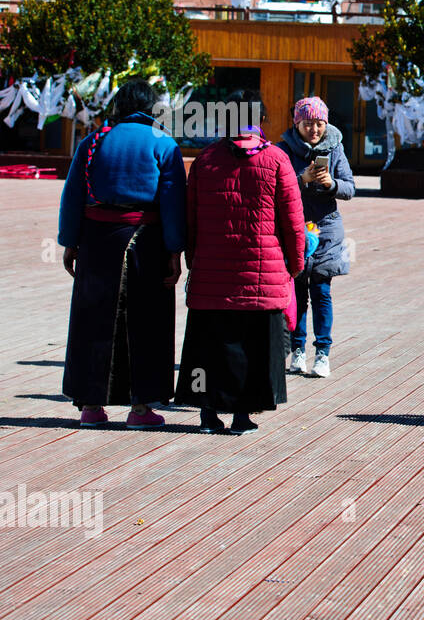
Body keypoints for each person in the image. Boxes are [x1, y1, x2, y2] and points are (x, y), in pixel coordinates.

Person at [58, 78, 185, 428]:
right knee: (146, 323)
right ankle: (140, 410)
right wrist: (175, 250)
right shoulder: (163, 143)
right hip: (146, 240)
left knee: (93, 320)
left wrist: (70, 241)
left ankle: (91, 408)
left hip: (97, 242)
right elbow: (173, 203)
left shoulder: (94, 141)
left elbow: (73, 195)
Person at [174, 120, 305, 434]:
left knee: (208, 348)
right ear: (259, 122)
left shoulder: (204, 160)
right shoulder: (276, 158)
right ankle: (241, 417)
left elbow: (189, 217)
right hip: (261, 275)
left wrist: (192, 259)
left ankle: (207, 414)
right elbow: (293, 218)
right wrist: (296, 263)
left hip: (211, 275)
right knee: (253, 347)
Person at [277, 96, 355, 378]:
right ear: (296, 123)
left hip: (327, 228)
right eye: (308, 124)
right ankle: (297, 350)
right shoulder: (282, 150)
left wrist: (331, 183)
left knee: (321, 291)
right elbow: (275, 187)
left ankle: (323, 353)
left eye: (319, 123)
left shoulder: (335, 147)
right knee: (296, 292)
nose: (314, 130)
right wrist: (302, 179)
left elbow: (350, 188)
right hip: (295, 227)